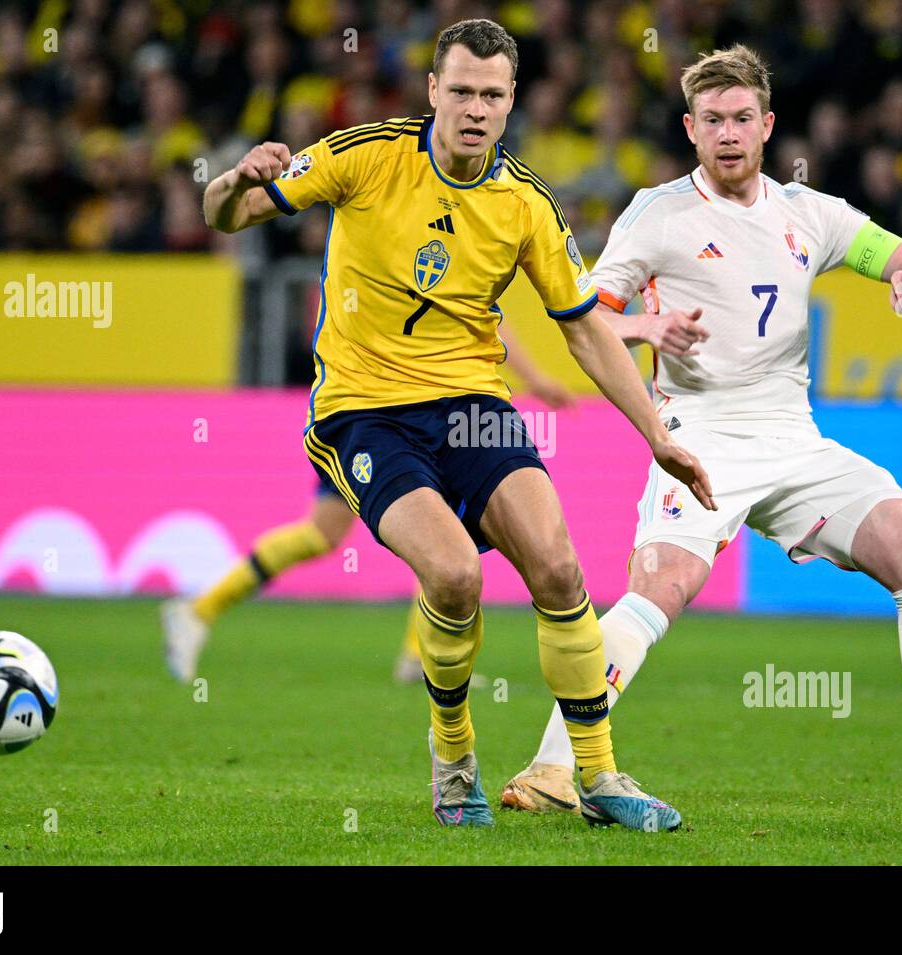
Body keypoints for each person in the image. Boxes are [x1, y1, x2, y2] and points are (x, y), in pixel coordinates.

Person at [199, 18, 714, 830]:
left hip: (472, 407)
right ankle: (453, 753)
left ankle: (599, 775)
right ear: (433, 90)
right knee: (454, 577)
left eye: (493, 95)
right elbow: (225, 215)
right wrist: (234, 180)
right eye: (462, 91)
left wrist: (656, 433)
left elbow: (583, 326)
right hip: (362, 414)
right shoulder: (365, 155)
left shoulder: (524, 206)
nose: (475, 108)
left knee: (558, 567)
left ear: (512, 103)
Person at [500, 45, 902, 824]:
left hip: (795, 437)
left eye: (742, 117)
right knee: (661, 589)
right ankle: (550, 765)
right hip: (699, 432)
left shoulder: (809, 213)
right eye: (711, 119)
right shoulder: (658, 212)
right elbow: (587, 314)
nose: (729, 132)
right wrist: (650, 323)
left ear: (769, 124)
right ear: (690, 128)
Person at [161, 341, 575, 686]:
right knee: (411, 537)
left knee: (348, 534)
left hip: (392, 410)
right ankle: (198, 610)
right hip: (381, 414)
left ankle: (199, 611)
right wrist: (535, 379)